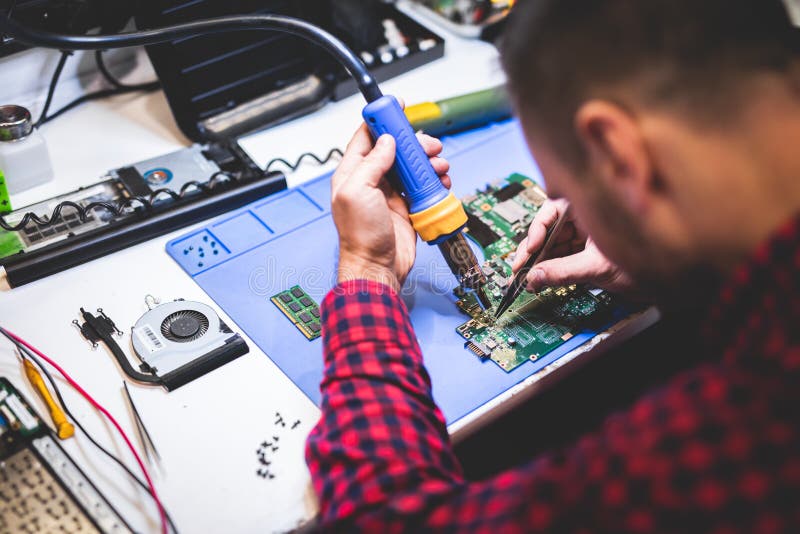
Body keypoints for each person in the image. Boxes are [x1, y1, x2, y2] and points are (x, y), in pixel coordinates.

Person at [305, 0, 800, 531]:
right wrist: (664, 258)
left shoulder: (740, 428)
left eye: (567, 194)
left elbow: (385, 521)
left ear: (618, 158)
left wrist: (367, 270)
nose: (574, 216)